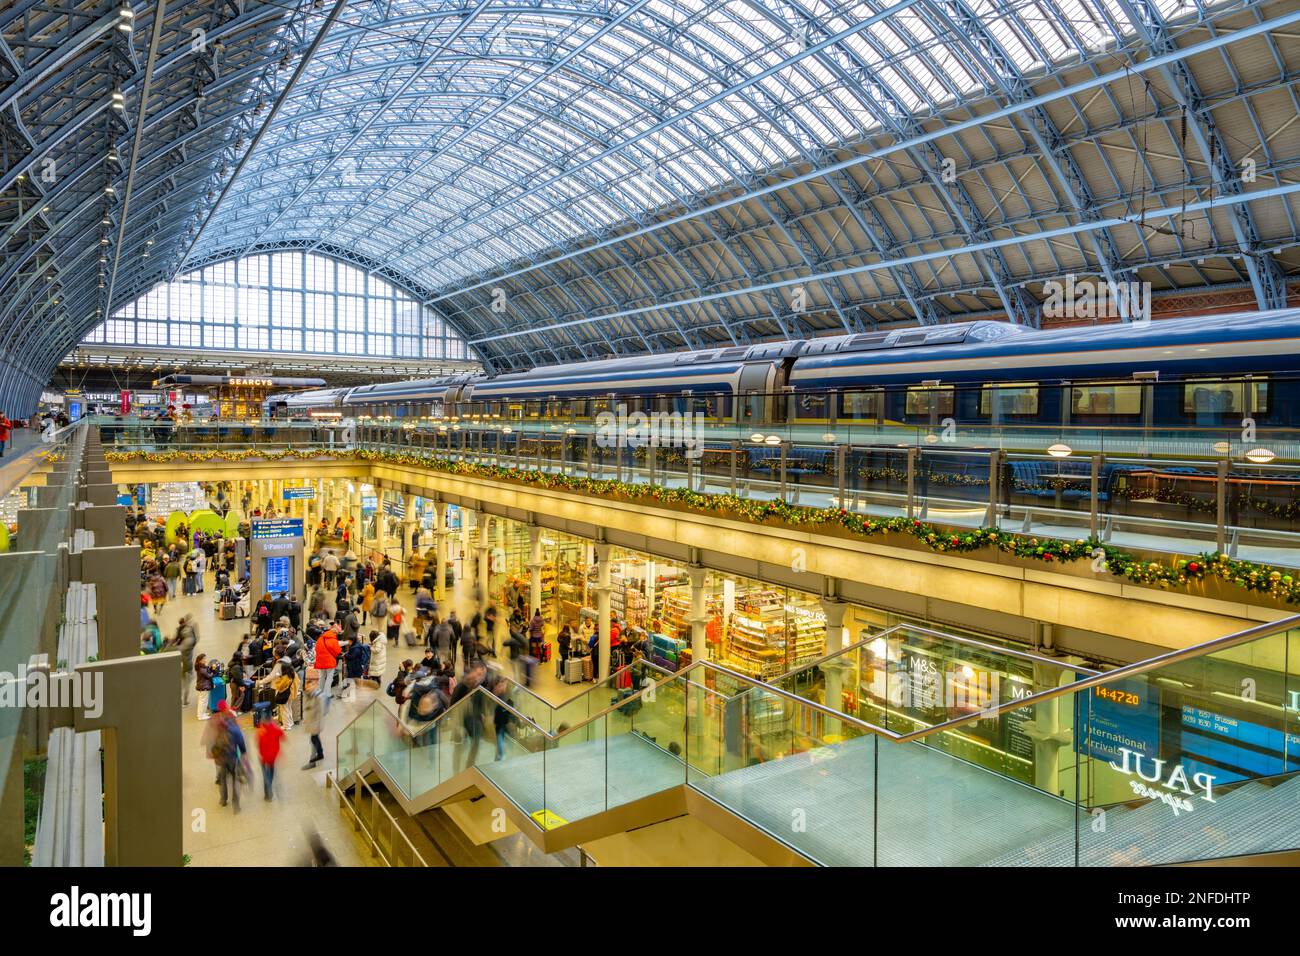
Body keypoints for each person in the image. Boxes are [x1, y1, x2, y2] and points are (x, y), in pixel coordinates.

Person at [204, 701, 247, 810]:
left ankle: (223, 799)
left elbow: (209, 739)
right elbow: (240, 739)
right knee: (235, 779)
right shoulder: (233, 725)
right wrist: (243, 752)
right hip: (232, 757)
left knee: (222, 779)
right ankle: (235, 802)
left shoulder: (214, 722)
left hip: (220, 758)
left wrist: (210, 751)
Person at [256, 714, 285, 801]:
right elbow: (283, 736)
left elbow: (258, 745)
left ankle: (268, 794)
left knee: (266, 776)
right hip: (273, 757)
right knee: (271, 773)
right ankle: (268, 790)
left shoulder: (261, 731)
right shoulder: (276, 729)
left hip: (264, 758)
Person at [313, 624, 343, 707]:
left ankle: (320, 692)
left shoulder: (320, 638)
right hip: (329, 661)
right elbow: (337, 651)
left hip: (320, 660)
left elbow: (316, 649)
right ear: (335, 633)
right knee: (329, 678)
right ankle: (327, 694)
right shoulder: (333, 640)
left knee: (321, 677)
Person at [491, 676, 514, 760]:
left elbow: (510, 707)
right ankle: (500, 755)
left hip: (503, 721)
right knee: (500, 737)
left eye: (503, 685)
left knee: (501, 737)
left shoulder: (506, 695)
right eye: (500, 686)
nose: (502, 687)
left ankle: (500, 756)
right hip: (499, 722)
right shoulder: (496, 696)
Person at [302, 690, 325, 769]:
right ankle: (320, 753)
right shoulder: (307, 695)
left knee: (313, 739)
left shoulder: (317, 697)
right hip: (311, 722)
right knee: (315, 738)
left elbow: (319, 712)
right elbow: (307, 708)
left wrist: (318, 724)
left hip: (315, 723)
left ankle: (313, 760)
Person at [194, 654, 215, 719]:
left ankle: (201, 713)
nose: (205, 660)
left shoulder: (201, 667)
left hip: (202, 686)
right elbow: (209, 676)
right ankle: (201, 716)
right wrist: (213, 670)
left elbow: (207, 670)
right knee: (203, 701)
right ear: (200, 661)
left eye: (205, 658)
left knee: (202, 701)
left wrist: (211, 668)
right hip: (204, 687)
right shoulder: (202, 669)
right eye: (204, 659)